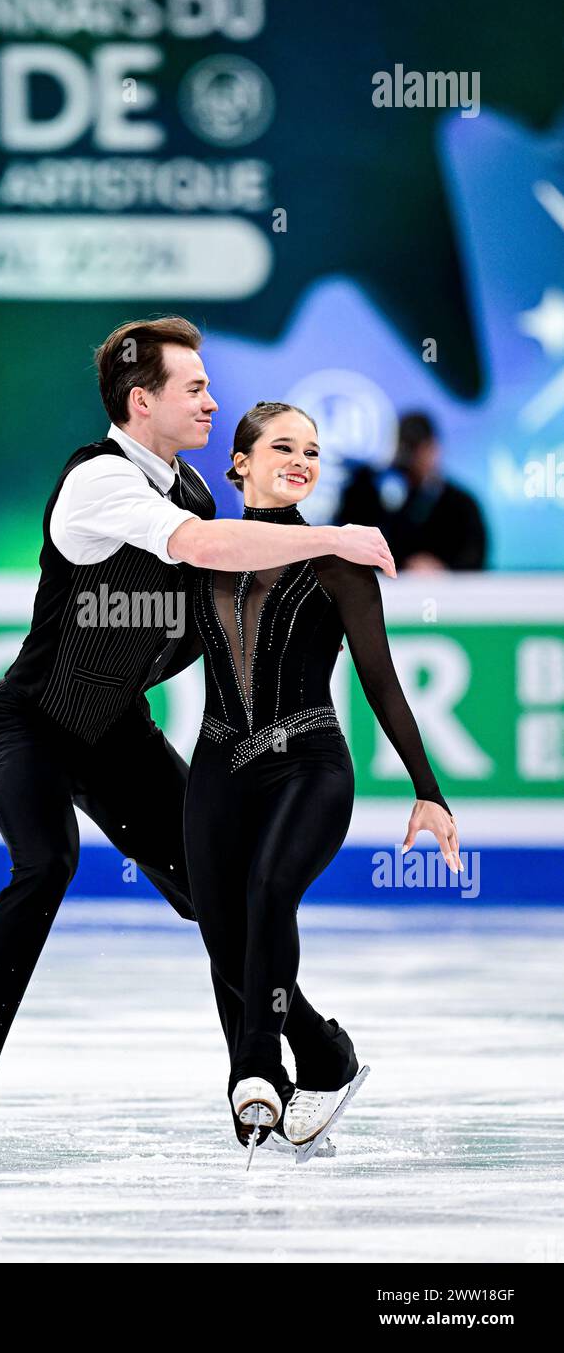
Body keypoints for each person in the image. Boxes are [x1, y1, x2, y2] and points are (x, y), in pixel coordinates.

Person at [0, 319, 396, 1165]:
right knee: (45, 866)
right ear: (143, 402)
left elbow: (205, 607)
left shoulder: (198, 492)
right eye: (195, 388)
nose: (213, 399)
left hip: (114, 733)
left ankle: (306, 1059)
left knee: (220, 889)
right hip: (30, 722)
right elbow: (202, 550)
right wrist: (334, 538)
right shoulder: (98, 482)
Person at [184, 400, 461, 1158]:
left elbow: (381, 681)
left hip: (310, 764)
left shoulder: (340, 560)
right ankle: (326, 1055)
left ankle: (255, 1068)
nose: (302, 459)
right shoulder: (197, 549)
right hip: (215, 765)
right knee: (222, 936)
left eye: (312, 450)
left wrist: (428, 790)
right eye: (283, 446)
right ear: (239, 461)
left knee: (269, 890)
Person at [336, 411, 487, 571]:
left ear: (434, 448)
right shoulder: (373, 494)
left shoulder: (461, 504)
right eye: (408, 449)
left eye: (420, 449)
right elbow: (350, 537)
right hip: (388, 587)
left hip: (447, 590)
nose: (413, 458)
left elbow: (474, 555)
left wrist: (443, 569)